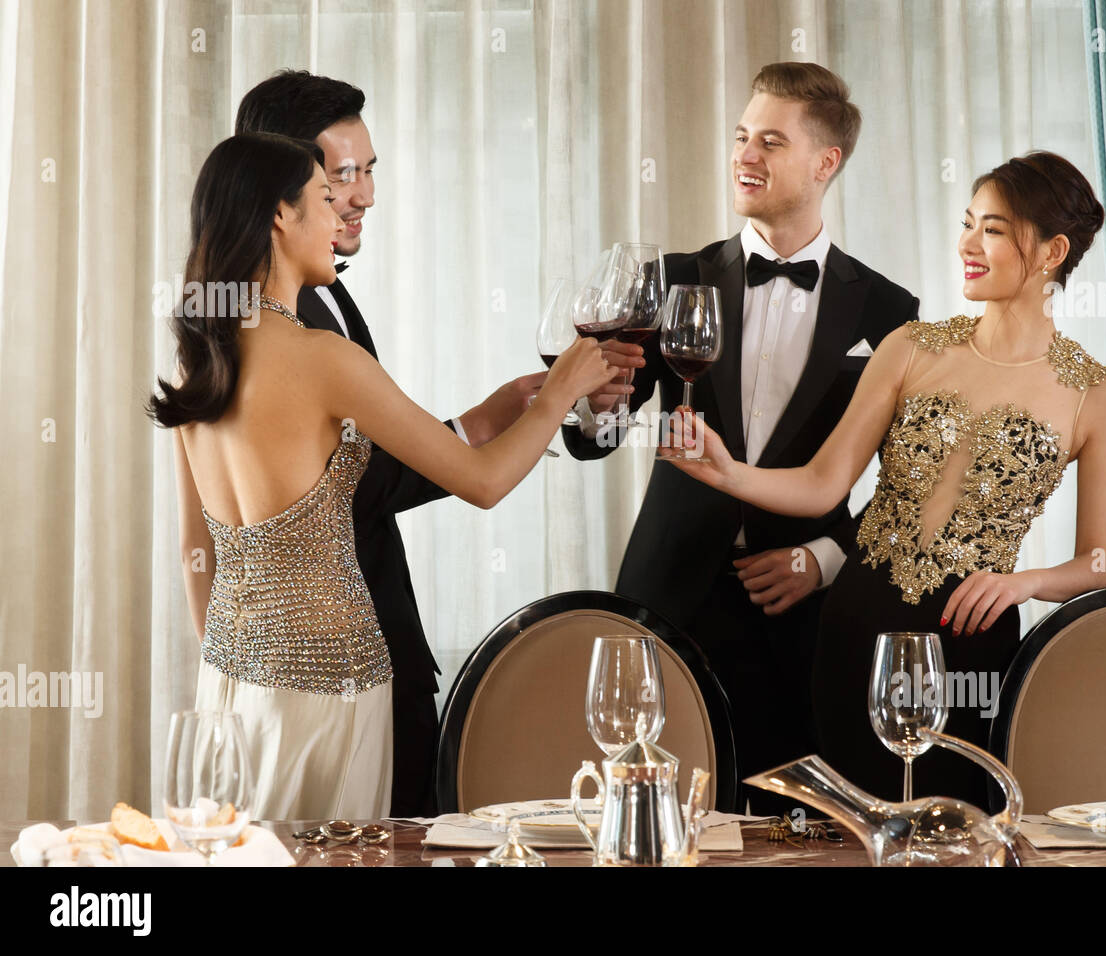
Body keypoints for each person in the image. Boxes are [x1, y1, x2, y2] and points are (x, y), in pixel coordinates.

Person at [148, 133, 615, 820]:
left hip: (227, 680)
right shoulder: (322, 358)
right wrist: (556, 396)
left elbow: (199, 557)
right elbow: (482, 483)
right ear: (280, 216)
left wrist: (237, 660)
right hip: (330, 682)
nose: (340, 218)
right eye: (323, 198)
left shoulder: (202, 363)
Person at [663, 150, 1106, 812]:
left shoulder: (1095, 394)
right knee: (848, 833)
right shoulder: (911, 347)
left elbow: (1098, 562)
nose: (967, 243)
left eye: (992, 230)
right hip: (859, 625)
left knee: (960, 830)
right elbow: (825, 485)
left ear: (1052, 251)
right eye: (968, 223)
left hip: (972, 642)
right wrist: (731, 473)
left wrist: (1024, 582)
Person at [565, 62, 918, 813]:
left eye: (770, 141)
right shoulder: (671, 277)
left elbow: (908, 489)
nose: (745, 156)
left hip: (802, 617)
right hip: (669, 595)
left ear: (827, 163)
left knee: (797, 831)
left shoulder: (890, 310)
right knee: (657, 820)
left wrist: (822, 560)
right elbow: (597, 436)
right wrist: (596, 404)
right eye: (740, 137)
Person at [233, 71, 548, 816]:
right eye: (343, 176)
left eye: (370, 170)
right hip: (345, 667)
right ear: (285, 192)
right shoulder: (302, 330)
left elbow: (350, 476)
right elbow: (426, 487)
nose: (366, 195)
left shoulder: (230, 332)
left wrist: (492, 412)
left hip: (268, 672)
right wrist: (558, 394)